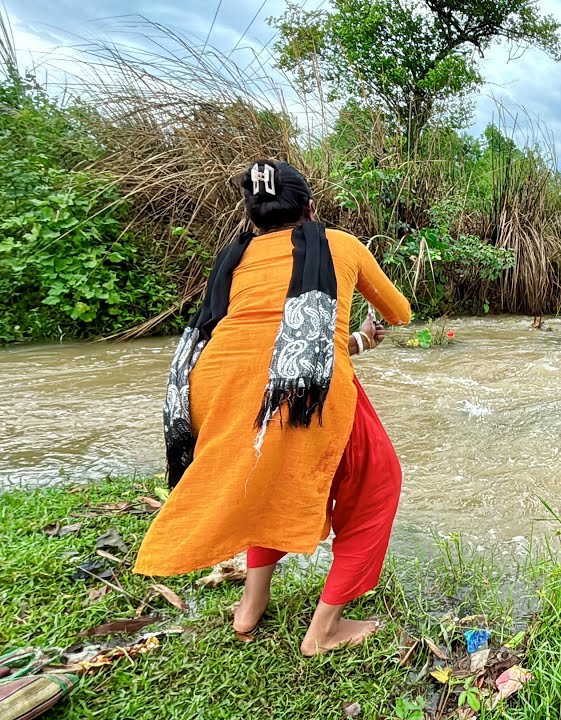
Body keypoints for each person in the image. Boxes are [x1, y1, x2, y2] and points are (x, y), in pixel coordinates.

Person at [134, 159, 413, 655]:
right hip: (302, 393)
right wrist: (370, 327)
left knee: (269, 475)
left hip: (213, 388)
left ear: (252, 216)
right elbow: (400, 312)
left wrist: (355, 343)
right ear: (309, 208)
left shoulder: (234, 258)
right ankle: (325, 630)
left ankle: (251, 605)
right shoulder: (339, 245)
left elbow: (271, 342)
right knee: (378, 484)